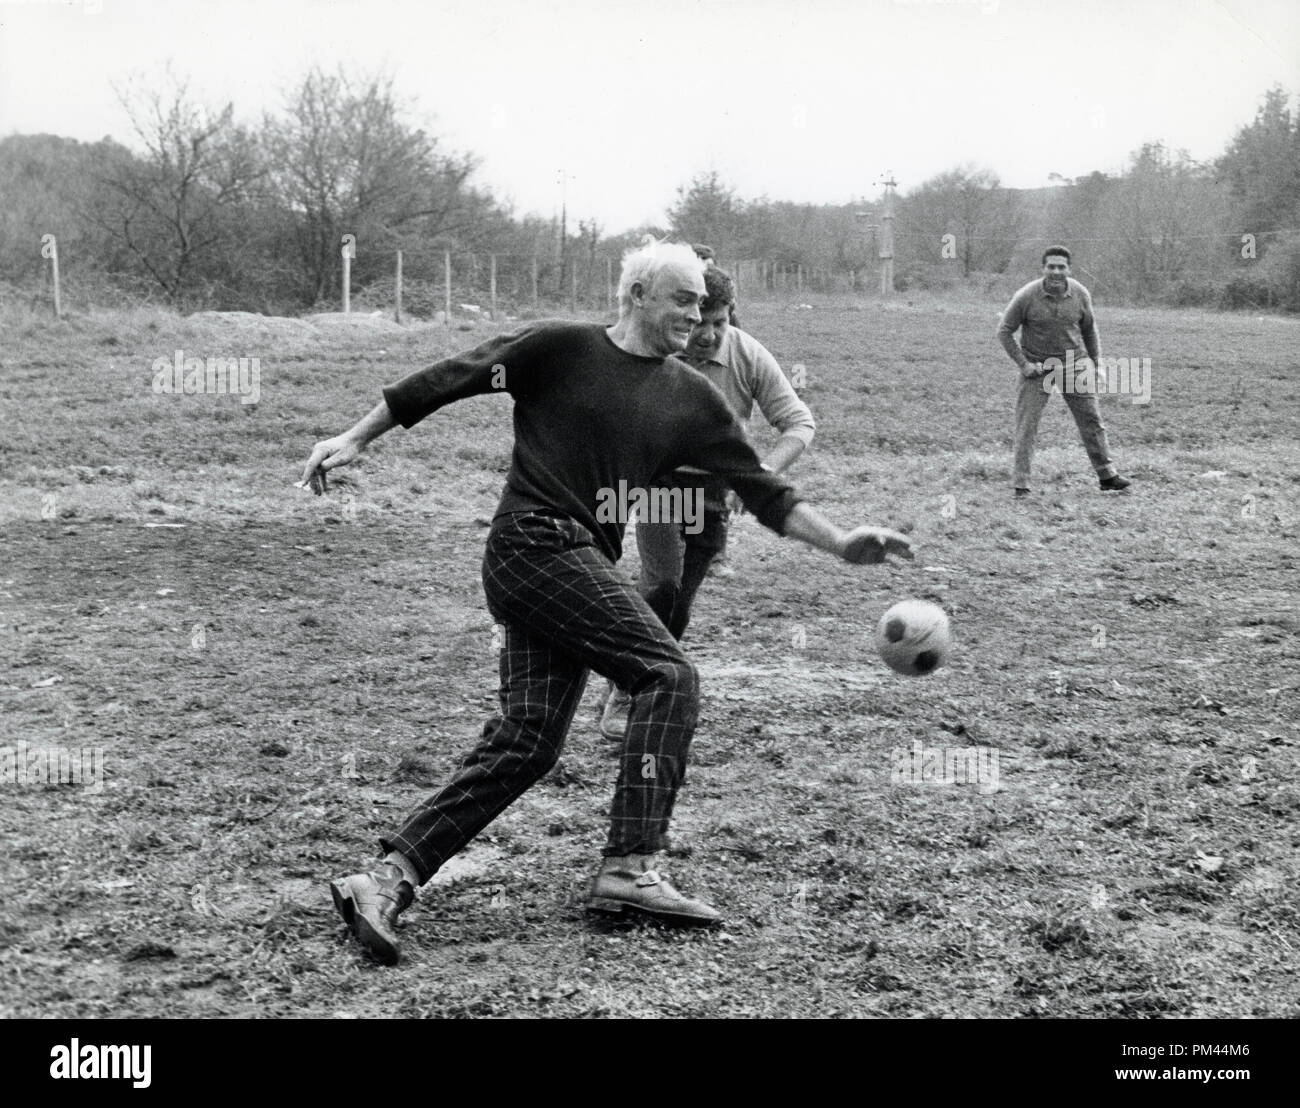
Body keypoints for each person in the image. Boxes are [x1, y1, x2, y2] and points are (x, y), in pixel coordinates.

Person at [300, 241, 914, 965]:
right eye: (682, 299)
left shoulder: (691, 398)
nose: (696, 314)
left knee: (529, 742)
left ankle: (385, 879)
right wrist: (353, 438)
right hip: (533, 544)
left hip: (574, 559)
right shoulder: (560, 348)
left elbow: (762, 489)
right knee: (669, 675)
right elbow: (442, 381)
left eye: (703, 304)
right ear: (637, 294)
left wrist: (841, 543)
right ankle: (629, 867)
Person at [599, 262, 815, 739]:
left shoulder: (748, 355)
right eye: (701, 322)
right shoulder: (656, 350)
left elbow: (799, 424)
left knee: (681, 601)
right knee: (663, 581)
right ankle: (623, 691)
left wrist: (757, 477)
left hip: (714, 490)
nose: (710, 334)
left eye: (722, 321)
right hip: (657, 479)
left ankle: (636, 675)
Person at [996, 245, 1131, 497]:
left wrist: (1096, 364)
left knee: (1092, 421)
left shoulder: (1080, 293)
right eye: (1051, 266)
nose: (1056, 272)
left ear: (1069, 269)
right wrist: (1024, 364)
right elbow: (1004, 331)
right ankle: (1021, 484)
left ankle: (1107, 476)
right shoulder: (1026, 296)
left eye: (1061, 267)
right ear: (1043, 268)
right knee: (1027, 425)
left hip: (1073, 364)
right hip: (1038, 368)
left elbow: (1089, 330)